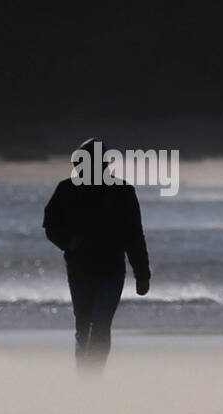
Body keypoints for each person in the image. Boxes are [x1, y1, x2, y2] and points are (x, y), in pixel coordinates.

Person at [42, 138, 151, 374]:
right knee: (83, 327)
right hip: (79, 269)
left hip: (111, 271)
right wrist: (68, 243)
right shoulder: (66, 189)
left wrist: (142, 274)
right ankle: (84, 377)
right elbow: (50, 225)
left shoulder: (122, 192)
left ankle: (93, 377)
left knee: (100, 325)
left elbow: (134, 235)